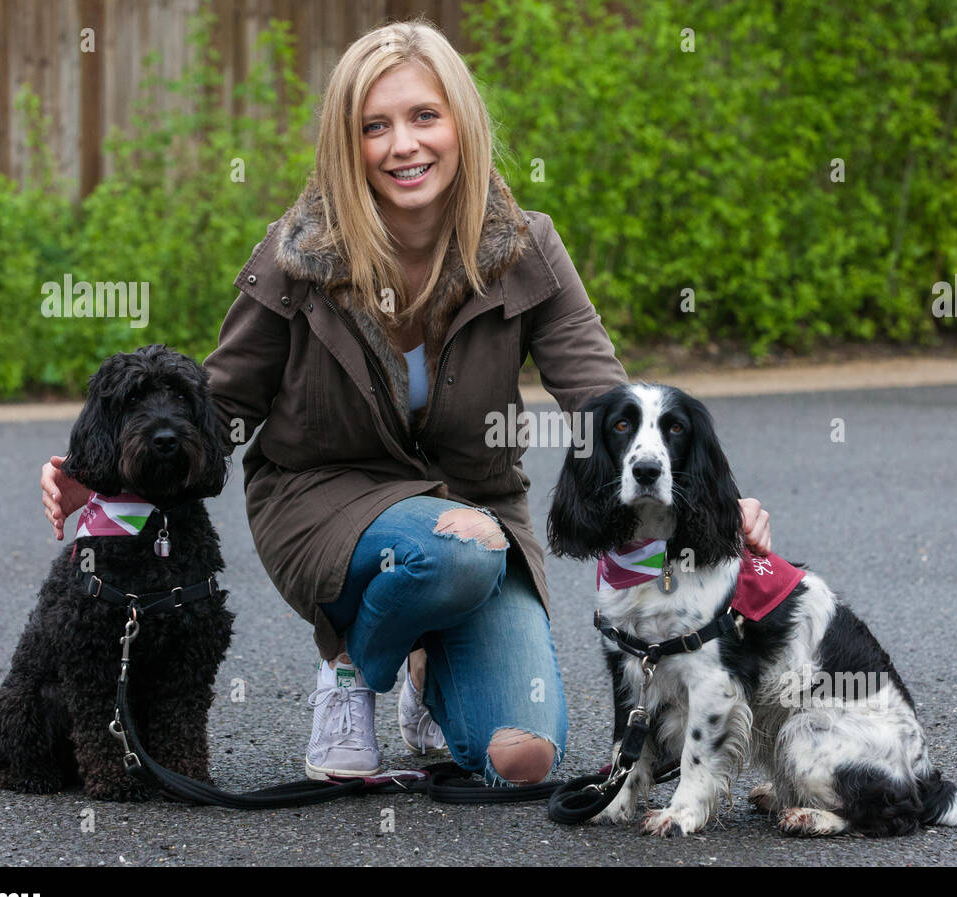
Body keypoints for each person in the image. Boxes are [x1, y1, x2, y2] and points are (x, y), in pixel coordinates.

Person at [40, 18, 772, 786]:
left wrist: (722, 496)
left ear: (461, 122)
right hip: (323, 504)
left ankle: (423, 662)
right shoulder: (299, 252)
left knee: (520, 761)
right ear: (346, 143)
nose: (403, 145)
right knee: (455, 549)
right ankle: (354, 676)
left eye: (425, 116)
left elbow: (605, 405)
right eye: (375, 127)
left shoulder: (526, 247)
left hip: (479, 515)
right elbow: (215, 406)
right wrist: (96, 469)